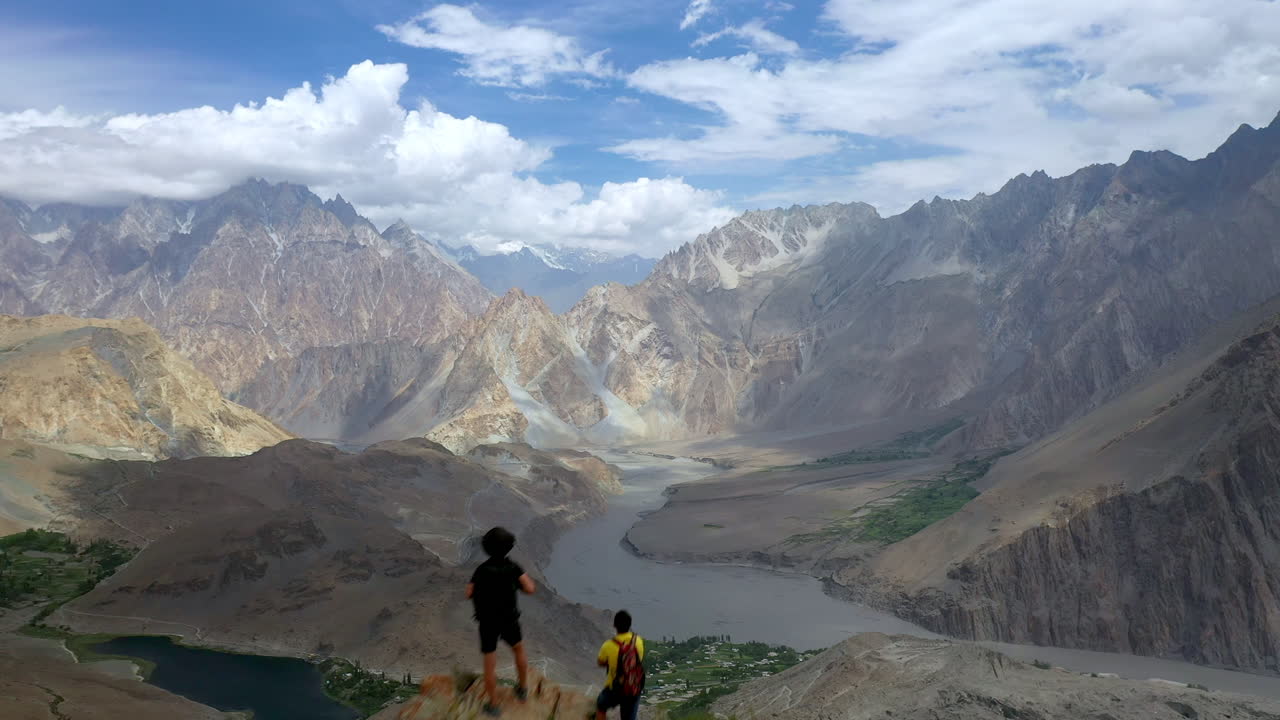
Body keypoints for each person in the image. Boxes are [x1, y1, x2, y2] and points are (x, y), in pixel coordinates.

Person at [466, 527, 536, 717]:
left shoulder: (482, 570)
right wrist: (516, 585)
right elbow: (530, 588)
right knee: (519, 650)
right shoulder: (513, 568)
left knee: (490, 662)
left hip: (488, 622)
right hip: (509, 619)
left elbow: (469, 592)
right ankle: (522, 689)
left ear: (487, 547)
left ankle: (494, 705)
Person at [596, 610, 645, 720]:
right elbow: (638, 660)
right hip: (633, 686)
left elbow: (600, 662)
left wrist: (611, 662)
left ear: (615, 625)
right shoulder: (638, 641)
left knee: (601, 705)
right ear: (630, 625)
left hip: (615, 688)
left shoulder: (608, 645)